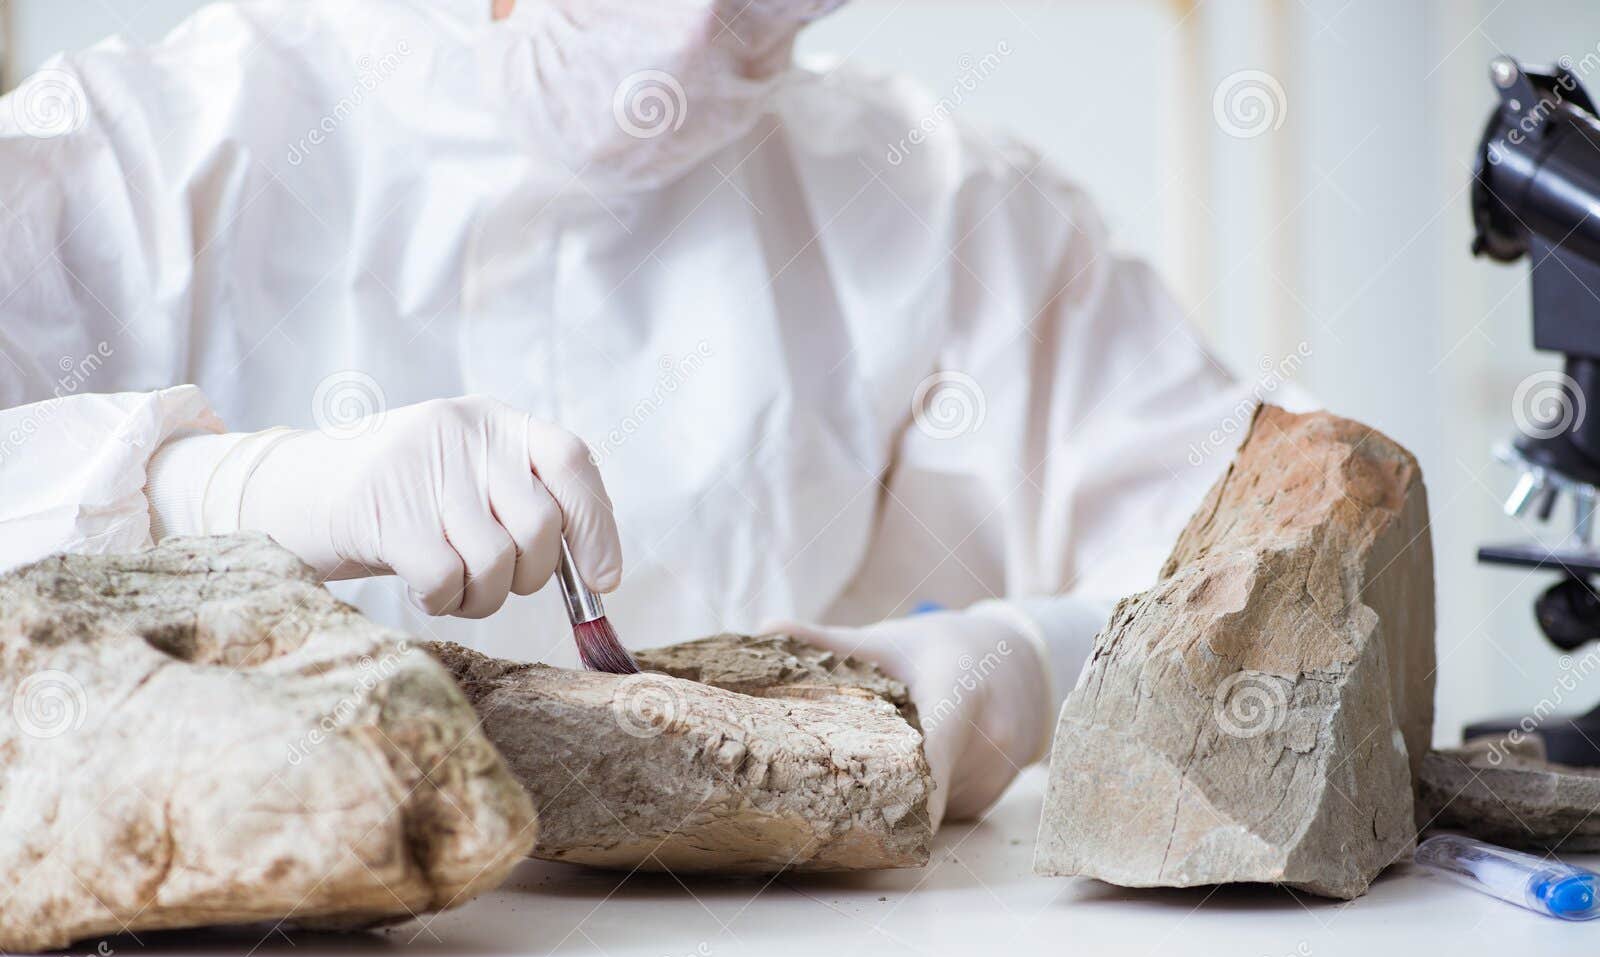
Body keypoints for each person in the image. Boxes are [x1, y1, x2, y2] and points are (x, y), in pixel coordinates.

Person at [0, 0, 1301, 827]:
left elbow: (1299, 548)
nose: (685, 27)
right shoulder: (139, 152)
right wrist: (216, 492)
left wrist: (1039, 662)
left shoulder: (944, 203)